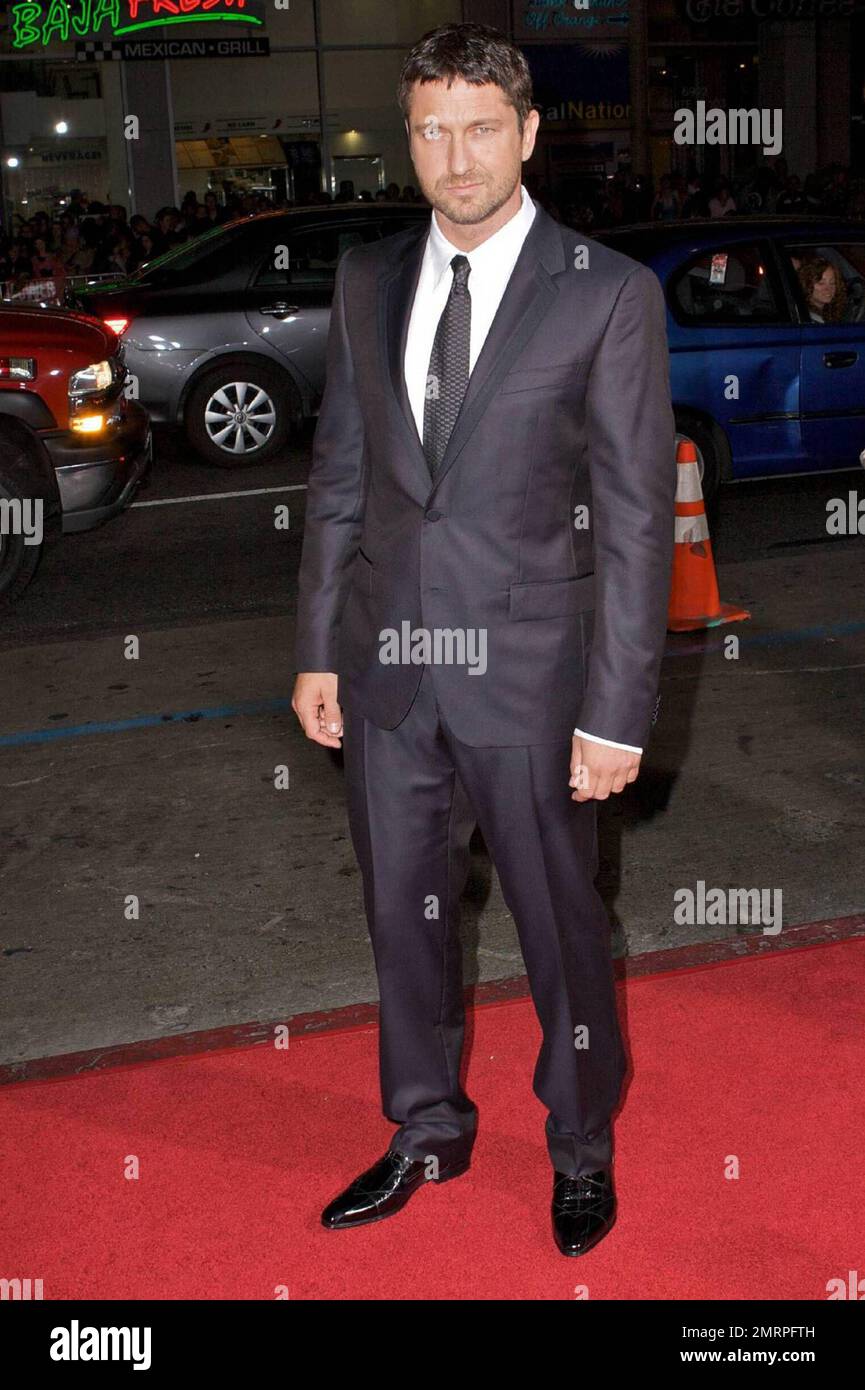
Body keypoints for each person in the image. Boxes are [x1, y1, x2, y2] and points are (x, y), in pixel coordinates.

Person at [292, 21, 676, 1259]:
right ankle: (423, 1128)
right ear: (407, 140)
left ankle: (578, 1146)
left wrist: (617, 712)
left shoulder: (608, 293)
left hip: (535, 684)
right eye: (429, 130)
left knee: (563, 925)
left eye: (478, 128)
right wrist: (316, 649)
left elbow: (632, 521)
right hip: (390, 675)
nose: (454, 157)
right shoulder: (366, 281)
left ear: (526, 132)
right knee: (402, 917)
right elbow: (341, 480)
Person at [797, 257, 847, 323]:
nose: (828, 289)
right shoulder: (804, 317)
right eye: (821, 283)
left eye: (832, 283)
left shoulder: (832, 311)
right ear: (807, 284)